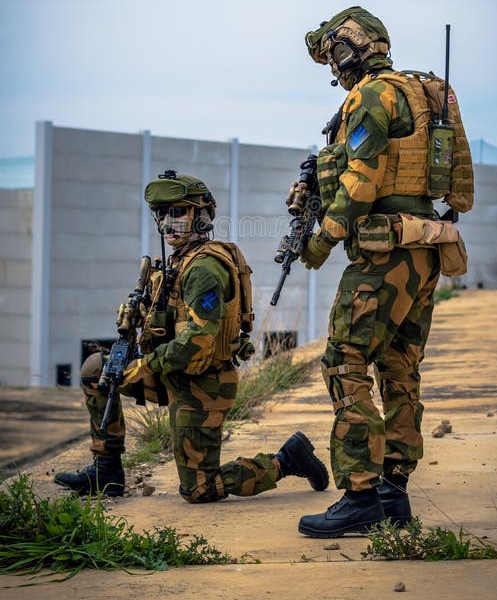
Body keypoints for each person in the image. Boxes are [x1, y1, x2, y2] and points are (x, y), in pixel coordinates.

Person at [296, 6, 473, 538]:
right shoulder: (416, 90)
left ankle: (360, 493)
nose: (333, 68)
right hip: (423, 247)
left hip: (386, 249)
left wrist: (322, 238)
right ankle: (394, 491)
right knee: (399, 366)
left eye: (334, 55)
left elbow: (363, 180)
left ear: (349, 49)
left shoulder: (372, 95)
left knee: (344, 358)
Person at [55, 171, 329, 502]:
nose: (168, 222)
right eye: (162, 213)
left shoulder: (204, 269)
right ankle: (107, 470)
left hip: (204, 383)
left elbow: (200, 338)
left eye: (178, 212)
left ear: (200, 216)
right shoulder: (178, 260)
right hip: (173, 372)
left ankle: (287, 461)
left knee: (199, 490)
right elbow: (170, 320)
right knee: (97, 370)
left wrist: (145, 366)